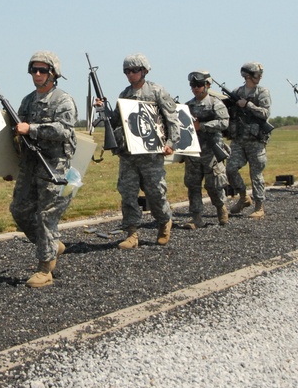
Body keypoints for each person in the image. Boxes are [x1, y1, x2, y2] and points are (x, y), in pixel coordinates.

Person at [9, 52, 78, 287]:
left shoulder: (62, 100)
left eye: (42, 70)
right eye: (33, 70)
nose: (37, 75)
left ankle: (45, 268)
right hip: (30, 164)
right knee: (19, 209)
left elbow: (64, 130)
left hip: (54, 166)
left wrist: (32, 129)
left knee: (47, 215)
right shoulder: (27, 100)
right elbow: (17, 129)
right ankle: (51, 244)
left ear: (53, 73)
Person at [100, 54, 179, 249]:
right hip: (129, 154)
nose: (130, 74)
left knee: (156, 193)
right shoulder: (124, 94)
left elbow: (172, 119)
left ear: (144, 70)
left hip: (152, 154)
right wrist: (103, 109)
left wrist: (171, 143)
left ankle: (164, 222)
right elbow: (117, 121)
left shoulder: (157, 91)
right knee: (127, 193)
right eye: (126, 71)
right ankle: (132, 233)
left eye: (134, 70)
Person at [183, 70, 231, 228]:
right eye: (192, 85)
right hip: (194, 150)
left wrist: (202, 126)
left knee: (214, 184)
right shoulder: (188, 106)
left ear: (206, 85)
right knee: (193, 184)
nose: (195, 88)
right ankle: (196, 217)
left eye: (198, 85)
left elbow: (224, 122)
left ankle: (221, 209)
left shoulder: (215, 103)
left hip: (211, 150)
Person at [226, 62, 273, 218]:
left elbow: (265, 113)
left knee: (256, 174)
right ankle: (243, 196)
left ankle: (259, 206)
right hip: (239, 139)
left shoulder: (262, 92)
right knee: (230, 169)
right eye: (256, 74)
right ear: (247, 76)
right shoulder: (236, 92)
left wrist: (248, 105)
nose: (259, 77)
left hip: (255, 140)